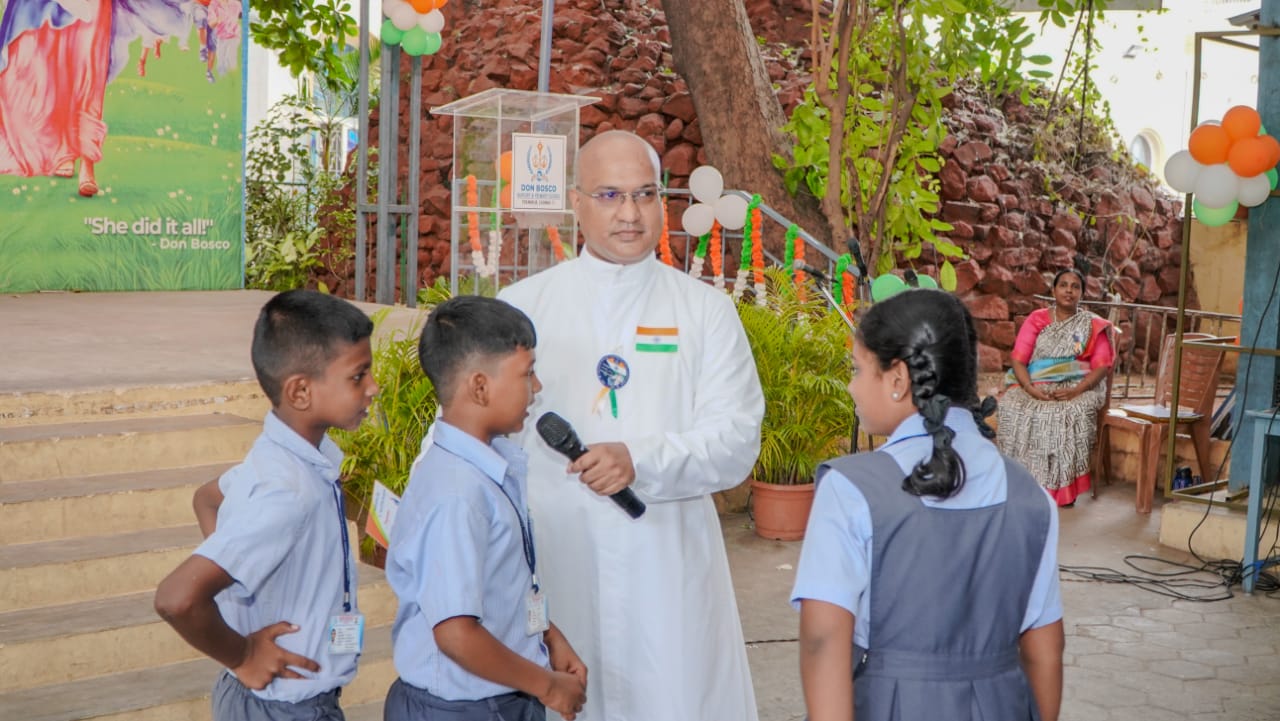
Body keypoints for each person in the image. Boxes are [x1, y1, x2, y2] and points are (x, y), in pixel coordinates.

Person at [497, 130, 765, 721]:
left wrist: (641, 460)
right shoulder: (523, 307)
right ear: (576, 202)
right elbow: (480, 429)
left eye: (645, 195)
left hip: (664, 553)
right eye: (610, 195)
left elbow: (737, 438)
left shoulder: (704, 312)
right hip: (557, 551)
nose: (630, 213)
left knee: (671, 693)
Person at [792, 288, 1064, 721]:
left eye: (858, 370)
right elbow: (1045, 649)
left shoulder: (849, 490)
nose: (851, 386)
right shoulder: (1031, 496)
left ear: (898, 380)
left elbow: (823, 640)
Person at [154, 289, 379, 720]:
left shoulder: (299, 456)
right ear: (299, 392)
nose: (373, 387)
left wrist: (242, 570)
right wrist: (242, 653)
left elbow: (207, 498)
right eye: (358, 376)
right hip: (282, 707)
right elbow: (177, 598)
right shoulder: (286, 492)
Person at [384, 295, 588, 721]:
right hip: (459, 709)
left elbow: (500, 587)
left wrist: (547, 635)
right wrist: (547, 686)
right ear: (479, 386)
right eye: (527, 373)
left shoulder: (489, 466)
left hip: (501, 695)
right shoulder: (457, 495)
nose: (538, 387)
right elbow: (456, 635)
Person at [997, 267, 1114, 507]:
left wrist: (1077, 390)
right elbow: (1018, 360)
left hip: (1080, 387)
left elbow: (1102, 366)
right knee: (1012, 405)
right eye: (1064, 285)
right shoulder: (1037, 319)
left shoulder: (1091, 324)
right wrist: (1030, 389)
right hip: (1035, 385)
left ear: (1081, 293)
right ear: (1054, 290)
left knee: (1063, 414)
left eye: (1075, 286)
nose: (1069, 291)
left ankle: (1062, 492)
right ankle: (1023, 483)